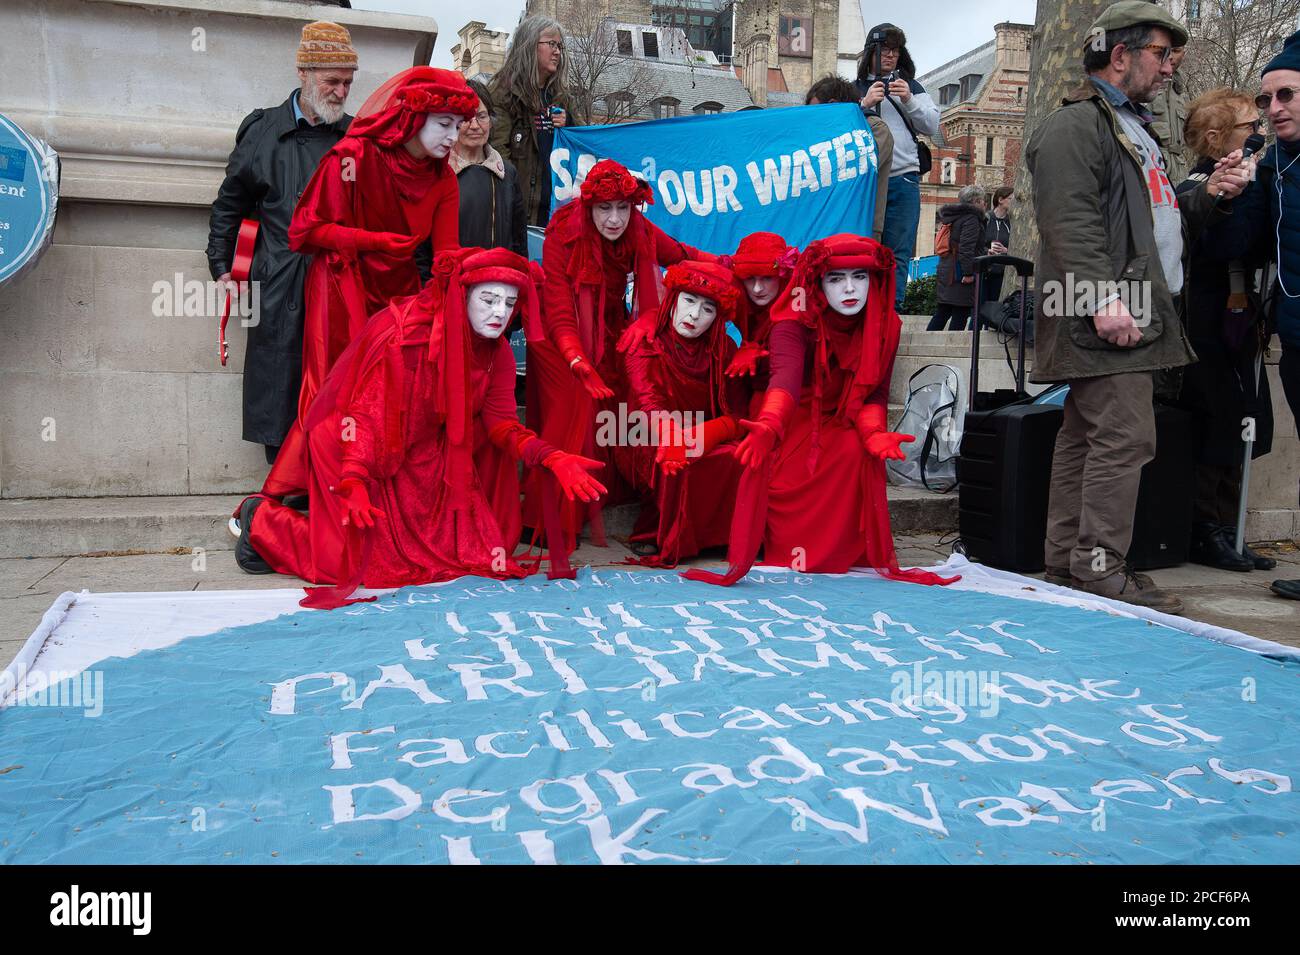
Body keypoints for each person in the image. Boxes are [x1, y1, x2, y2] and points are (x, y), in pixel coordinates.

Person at [1025, 1, 1251, 613]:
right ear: (1119, 55)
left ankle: (1071, 567)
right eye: (1161, 52)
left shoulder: (1132, 127)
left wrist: (1207, 195)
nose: (1171, 65)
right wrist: (1102, 300)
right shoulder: (1076, 127)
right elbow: (1068, 223)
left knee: (1086, 435)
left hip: (1128, 305)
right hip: (1102, 308)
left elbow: (1155, 223)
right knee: (1124, 437)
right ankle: (1097, 571)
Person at [233, 247, 606, 608]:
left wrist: (552, 457)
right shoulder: (409, 339)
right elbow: (367, 415)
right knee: (354, 564)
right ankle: (261, 520)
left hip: (425, 453)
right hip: (357, 446)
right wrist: (355, 480)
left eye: (509, 304)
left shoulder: (499, 354)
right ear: (462, 296)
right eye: (489, 299)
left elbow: (502, 425)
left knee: (464, 555)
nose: (499, 313)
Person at [683, 234, 959, 588]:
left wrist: (874, 433)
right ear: (818, 282)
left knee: (853, 451)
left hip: (845, 415)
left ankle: (840, 553)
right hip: (791, 413)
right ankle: (789, 550)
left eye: (860, 277)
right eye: (836, 278)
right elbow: (784, 381)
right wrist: (768, 425)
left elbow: (874, 393)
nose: (850, 289)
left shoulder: (885, 324)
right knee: (787, 464)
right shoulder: (792, 320)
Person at [260, 67, 477, 501]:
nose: (453, 137)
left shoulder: (443, 179)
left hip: (399, 292)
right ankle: (312, 482)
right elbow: (304, 231)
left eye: (458, 126)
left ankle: (369, 481)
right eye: (443, 124)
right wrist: (371, 241)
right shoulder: (354, 157)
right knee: (336, 383)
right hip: (342, 283)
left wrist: (482, 274)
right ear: (414, 119)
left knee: (389, 386)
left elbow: (447, 256)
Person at [525, 159, 712, 546]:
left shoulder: (639, 230)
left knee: (619, 397)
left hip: (608, 328)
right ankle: (549, 517)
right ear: (588, 207)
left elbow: (679, 254)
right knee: (576, 402)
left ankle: (609, 486)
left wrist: (730, 266)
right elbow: (559, 311)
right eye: (604, 208)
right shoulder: (564, 232)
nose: (614, 219)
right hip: (557, 337)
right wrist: (577, 359)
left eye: (623, 208)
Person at [206, 21, 356, 465]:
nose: (342, 92)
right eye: (333, 81)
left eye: (348, 83)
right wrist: (222, 269)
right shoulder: (263, 131)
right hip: (278, 286)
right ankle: (281, 499)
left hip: (335, 288)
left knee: (335, 390)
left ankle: (321, 494)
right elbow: (228, 206)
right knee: (280, 390)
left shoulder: (356, 137)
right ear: (304, 73)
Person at [1206, 29, 1300, 600]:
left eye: (1286, 95)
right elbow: (1241, 244)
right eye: (1266, 100)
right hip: (1295, 337)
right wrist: (1225, 195)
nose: (1273, 109)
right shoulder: (1275, 166)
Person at [1177, 88, 1276, 573]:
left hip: (1237, 320)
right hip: (1205, 321)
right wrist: (1245, 192)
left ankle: (1228, 526)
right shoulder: (1195, 186)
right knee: (1216, 421)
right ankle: (1205, 529)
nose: (1260, 134)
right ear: (1217, 138)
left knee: (1245, 420)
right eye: (1249, 128)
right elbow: (1222, 244)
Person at [617, 261, 751, 566]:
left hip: (704, 431)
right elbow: (648, 401)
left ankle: (719, 538)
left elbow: (738, 411)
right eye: (689, 301)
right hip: (645, 431)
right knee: (672, 458)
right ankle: (656, 531)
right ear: (673, 299)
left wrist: (713, 431)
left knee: (736, 456)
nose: (694, 315)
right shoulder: (644, 342)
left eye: (708, 309)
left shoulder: (723, 348)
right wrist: (674, 437)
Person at [855, 23, 941, 309]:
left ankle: (892, 312)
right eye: (884, 50)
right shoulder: (855, 89)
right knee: (863, 250)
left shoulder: (911, 87)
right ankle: (865, 311)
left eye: (895, 50)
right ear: (871, 52)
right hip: (867, 183)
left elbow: (931, 125)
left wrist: (908, 99)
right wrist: (863, 104)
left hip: (903, 180)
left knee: (899, 252)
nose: (890, 55)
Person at [416, 79, 527, 279]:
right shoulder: (432, 173)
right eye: (467, 118)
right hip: (447, 289)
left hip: (497, 289)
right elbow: (420, 249)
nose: (475, 126)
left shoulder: (507, 174)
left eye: (482, 116)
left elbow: (518, 242)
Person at [488, 15, 583, 227]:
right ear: (529, 45)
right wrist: (513, 199)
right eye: (551, 44)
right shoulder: (503, 94)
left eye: (560, 46)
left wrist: (569, 125)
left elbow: (584, 148)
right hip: (517, 213)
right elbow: (496, 153)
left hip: (557, 211)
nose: (557, 51)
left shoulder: (563, 98)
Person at [804, 75, 893, 242]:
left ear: (832, 105)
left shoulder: (874, 129)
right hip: (821, 227)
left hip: (859, 229)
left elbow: (856, 169)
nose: (811, 117)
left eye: (814, 110)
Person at [724, 232, 798, 391]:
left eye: (767, 278)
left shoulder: (799, 308)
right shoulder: (738, 297)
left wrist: (761, 358)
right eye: (750, 278)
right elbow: (682, 255)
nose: (757, 289)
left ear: (782, 276)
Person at [928, 184, 987, 331]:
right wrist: (968, 273)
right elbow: (966, 248)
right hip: (959, 272)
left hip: (947, 268)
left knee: (943, 311)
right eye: (982, 200)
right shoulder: (971, 219)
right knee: (960, 312)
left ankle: (929, 347)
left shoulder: (953, 217)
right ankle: (952, 348)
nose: (984, 204)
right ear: (975, 201)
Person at [1148, 44, 1193, 186]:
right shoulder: (1142, 85)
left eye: (1176, 50)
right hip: (1152, 167)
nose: (1171, 57)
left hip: (1178, 171)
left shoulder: (1181, 91)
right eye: (1165, 50)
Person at [981, 185, 1015, 307]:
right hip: (984, 271)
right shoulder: (986, 219)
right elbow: (977, 245)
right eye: (1011, 199)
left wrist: (1007, 250)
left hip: (1002, 273)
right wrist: (988, 250)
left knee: (996, 308)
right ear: (1000, 200)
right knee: (979, 309)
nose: (1014, 202)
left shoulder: (1013, 222)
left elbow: (1015, 246)